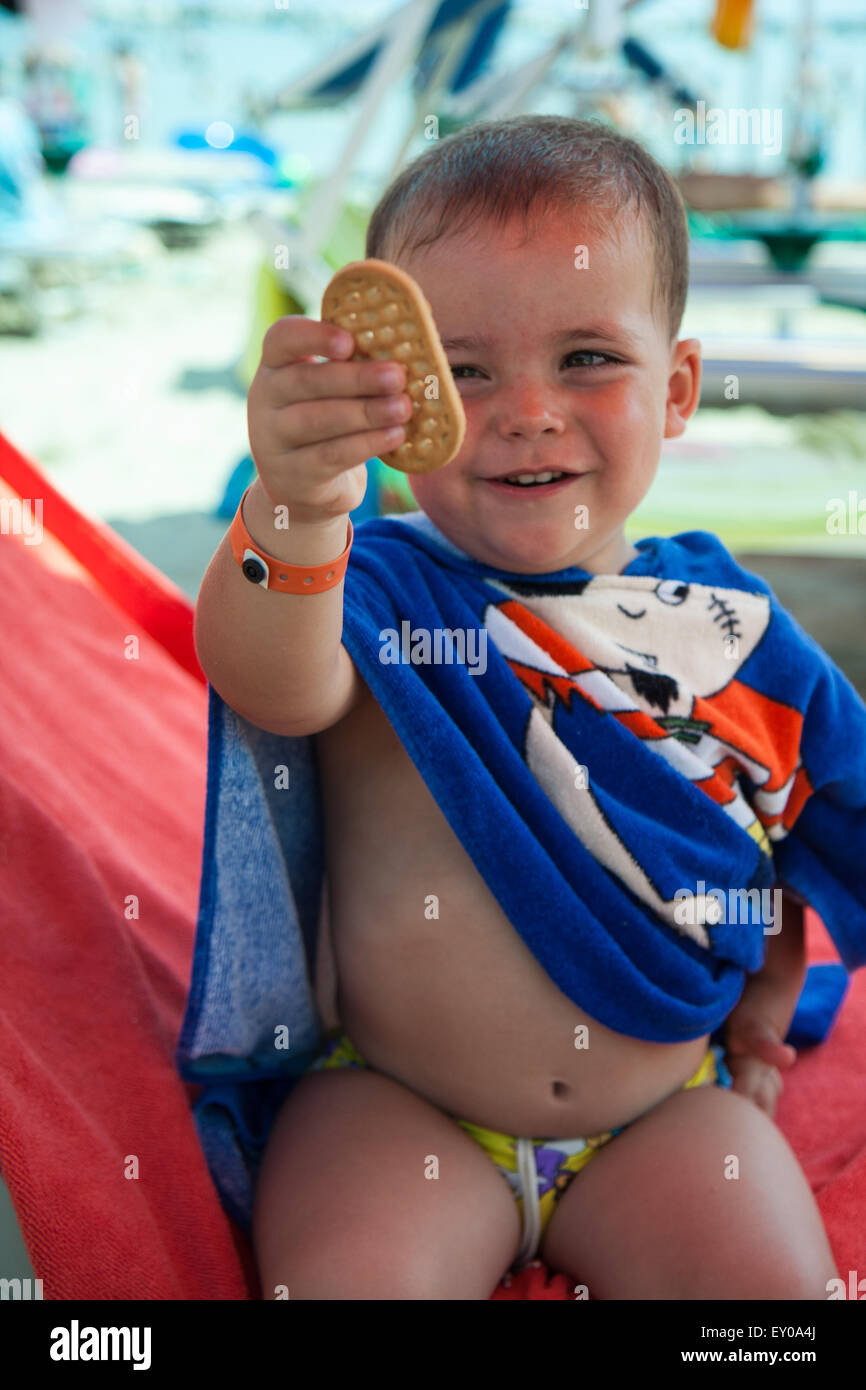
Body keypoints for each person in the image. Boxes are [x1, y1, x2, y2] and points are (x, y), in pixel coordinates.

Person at [193, 116, 858, 1299]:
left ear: (678, 389)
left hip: (661, 1118)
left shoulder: (737, 636)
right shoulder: (379, 587)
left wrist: (758, 1020)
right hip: (403, 1108)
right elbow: (266, 678)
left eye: (587, 359)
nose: (525, 410)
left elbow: (806, 832)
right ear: (394, 397)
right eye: (464, 368)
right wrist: (293, 507)